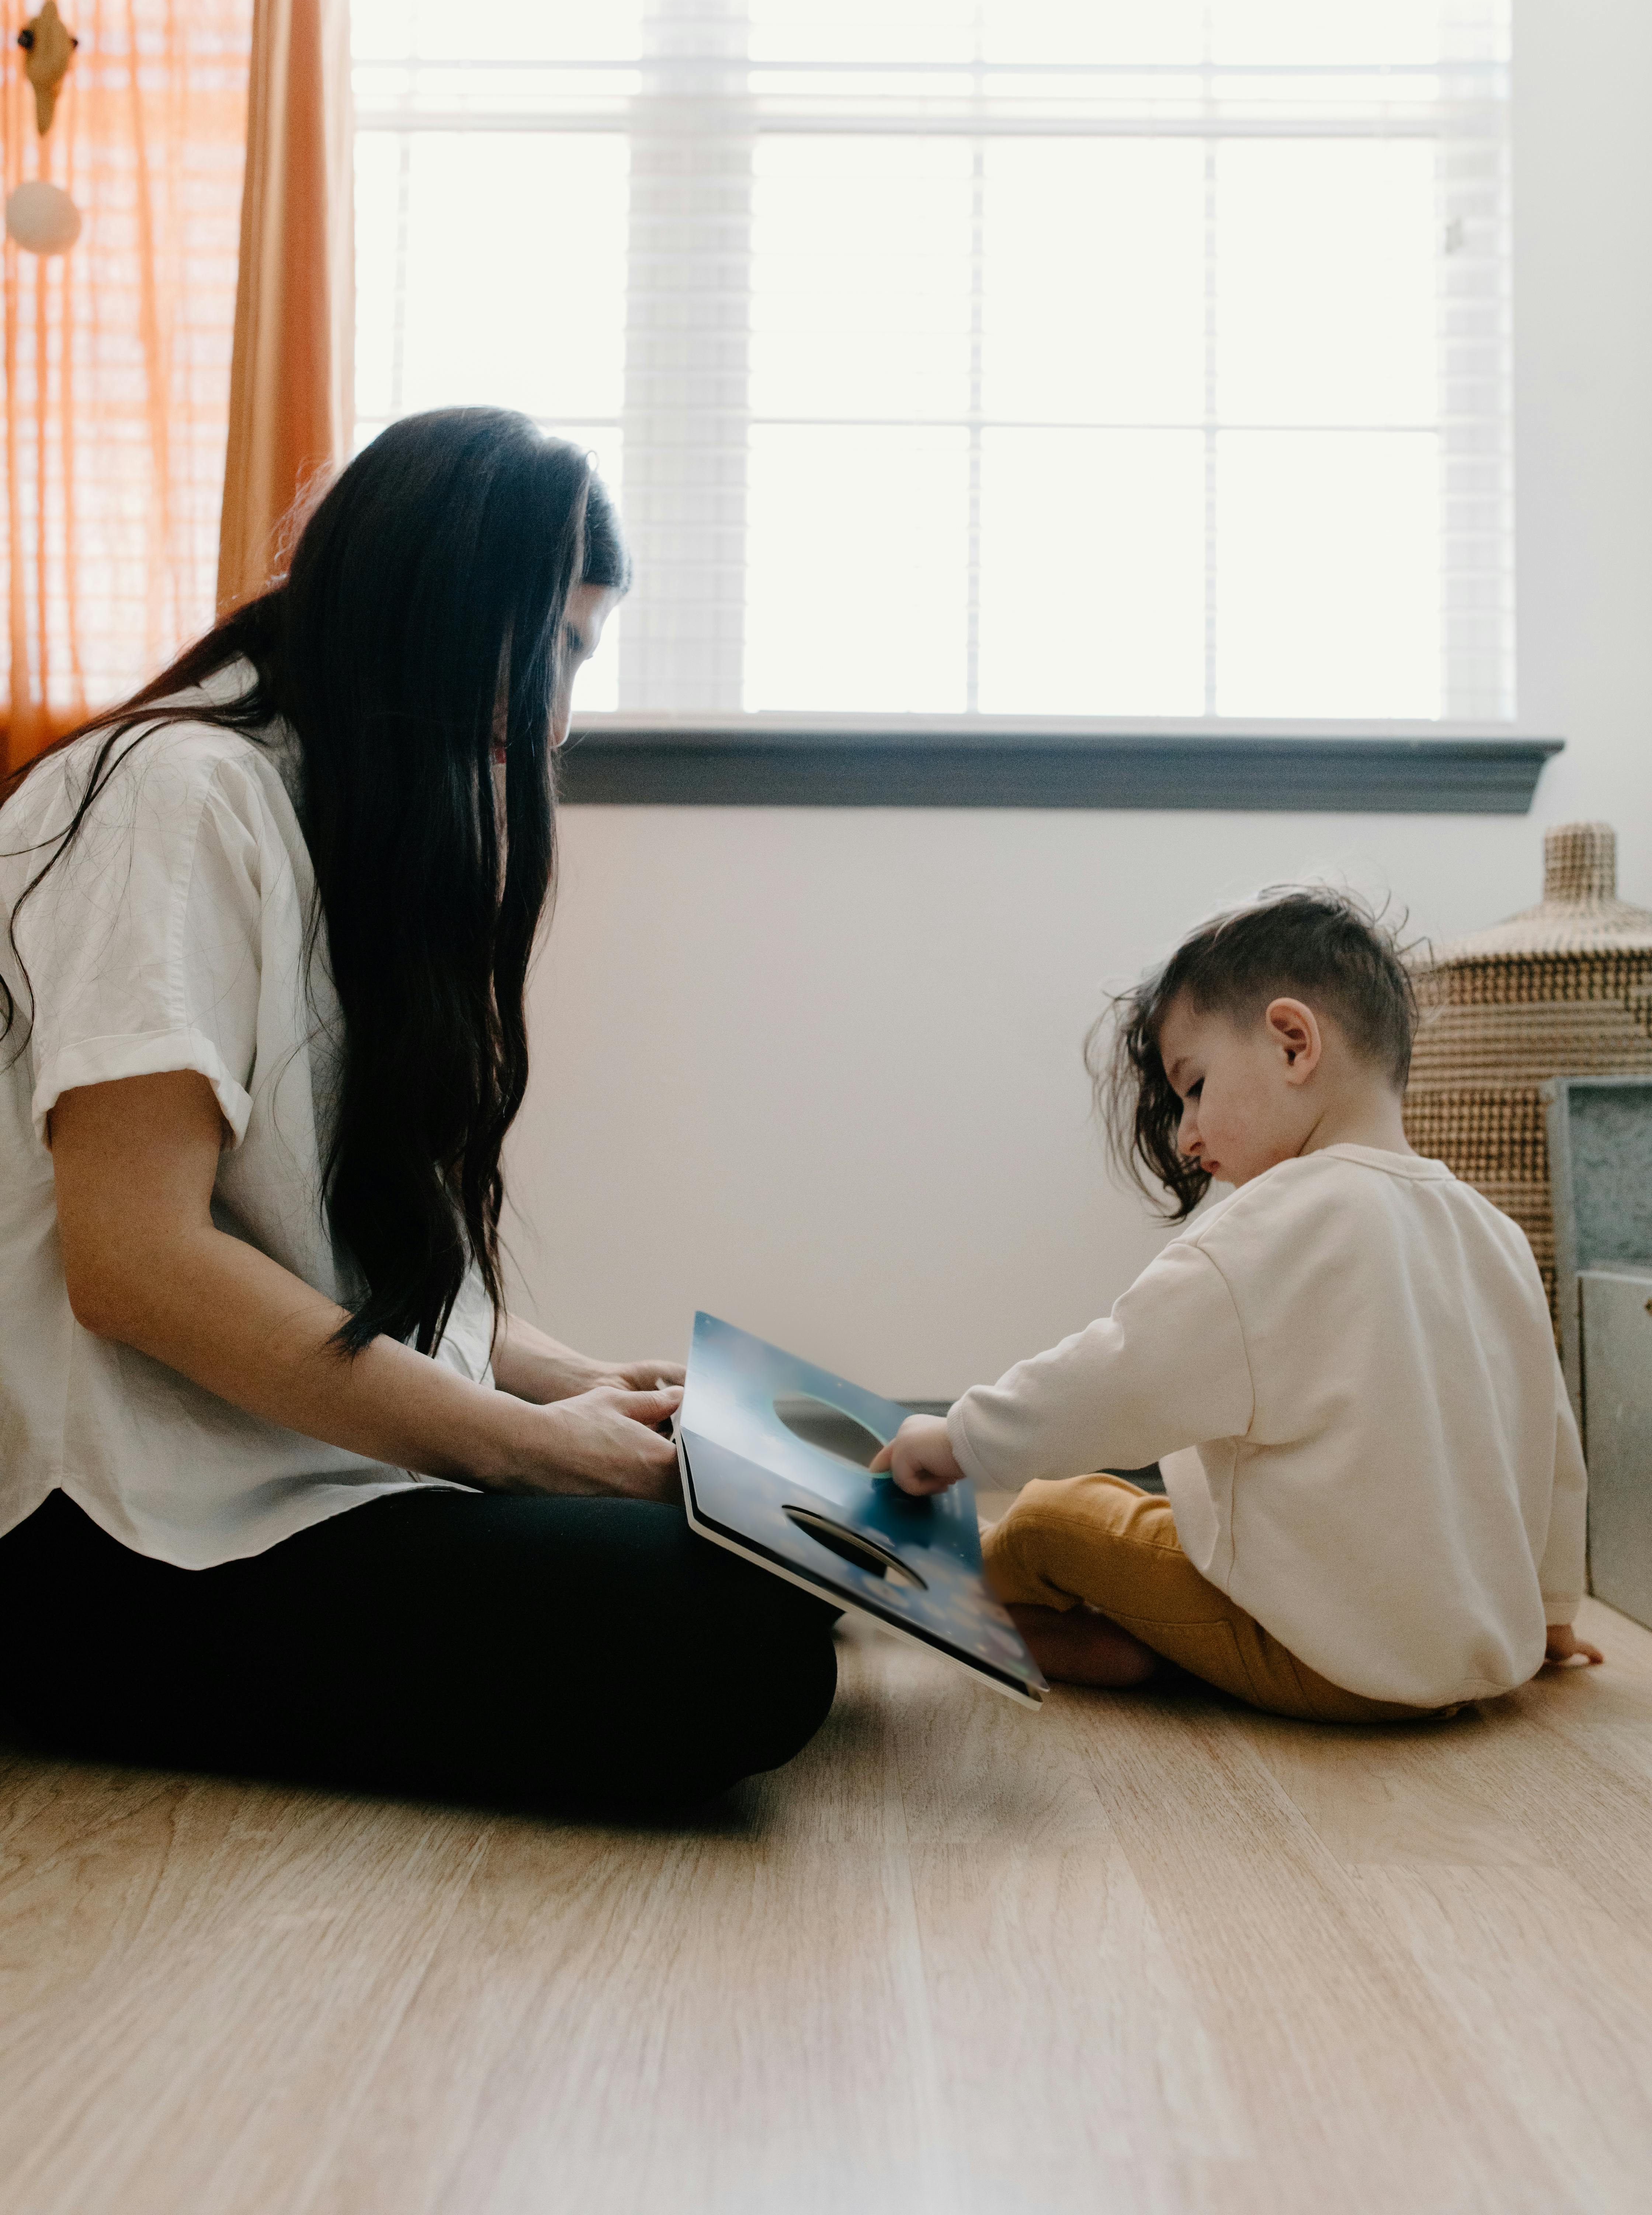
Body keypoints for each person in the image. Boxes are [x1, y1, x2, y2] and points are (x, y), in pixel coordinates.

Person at [0, 408, 837, 1814]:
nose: (557, 718)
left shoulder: (340, 819)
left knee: (769, 1532)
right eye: (556, 653)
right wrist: (516, 1446)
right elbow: (134, 1262)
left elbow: (338, 1250)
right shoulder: (179, 794)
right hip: (110, 1525)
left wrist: (587, 1393)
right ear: (448, 612)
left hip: (271, 1476)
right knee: (743, 1632)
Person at [874, 887, 1600, 1721]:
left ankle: (981, 1609)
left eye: (1193, 1087)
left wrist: (959, 1438)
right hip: (1476, 1657)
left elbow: (1120, 1375)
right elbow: (1550, 1442)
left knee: (1048, 1519)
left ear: (1292, 1043)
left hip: (1322, 1657)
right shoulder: (1494, 1232)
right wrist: (1548, 1615)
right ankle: (1142, 1642)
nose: (1185, 1136)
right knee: (1154, 1526)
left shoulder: (1277, 1224)